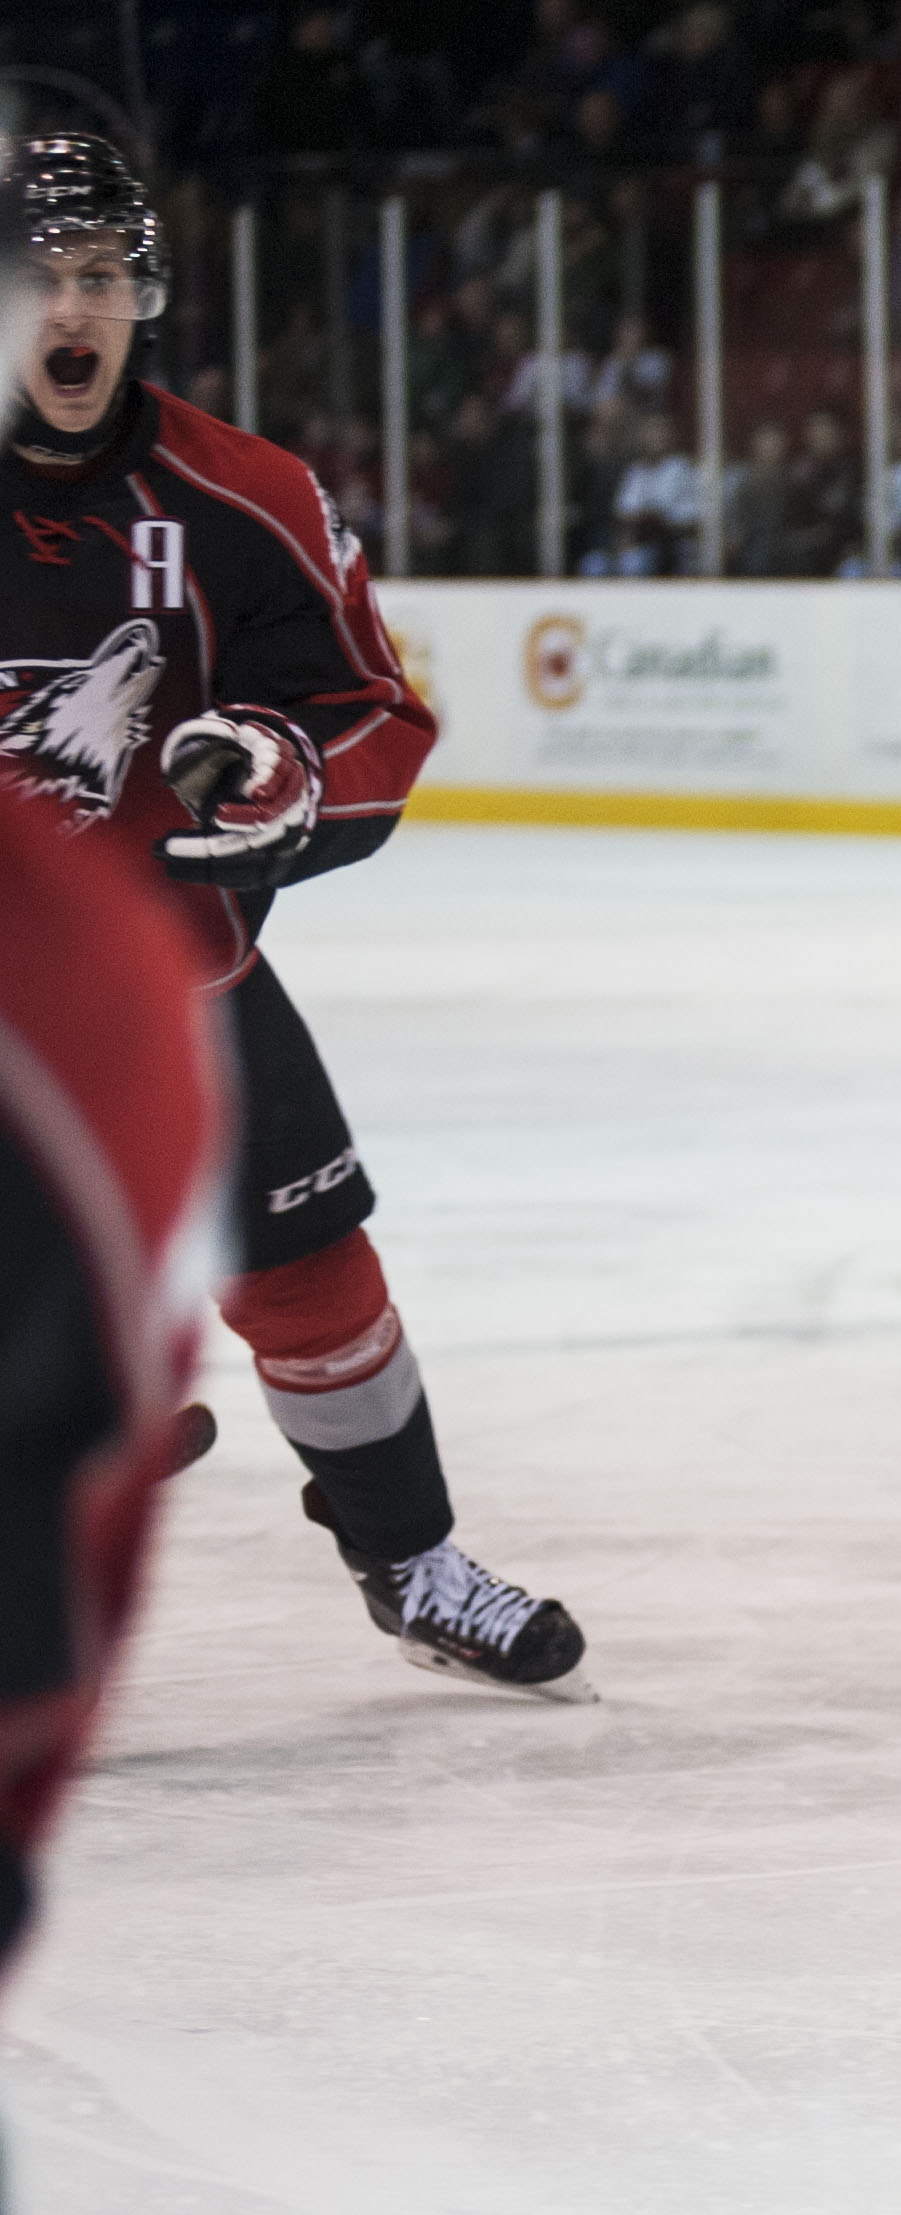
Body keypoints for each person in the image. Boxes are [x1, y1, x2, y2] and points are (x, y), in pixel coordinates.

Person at [0, 135, 590, 1695]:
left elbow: (369, 719)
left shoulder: (242, 496)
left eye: (104, 280)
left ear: (144, 303)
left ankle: (413, 1568)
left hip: (177, 987)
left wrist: (279, 774)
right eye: (44, 277)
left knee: (314, 1280)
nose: (77, 306)